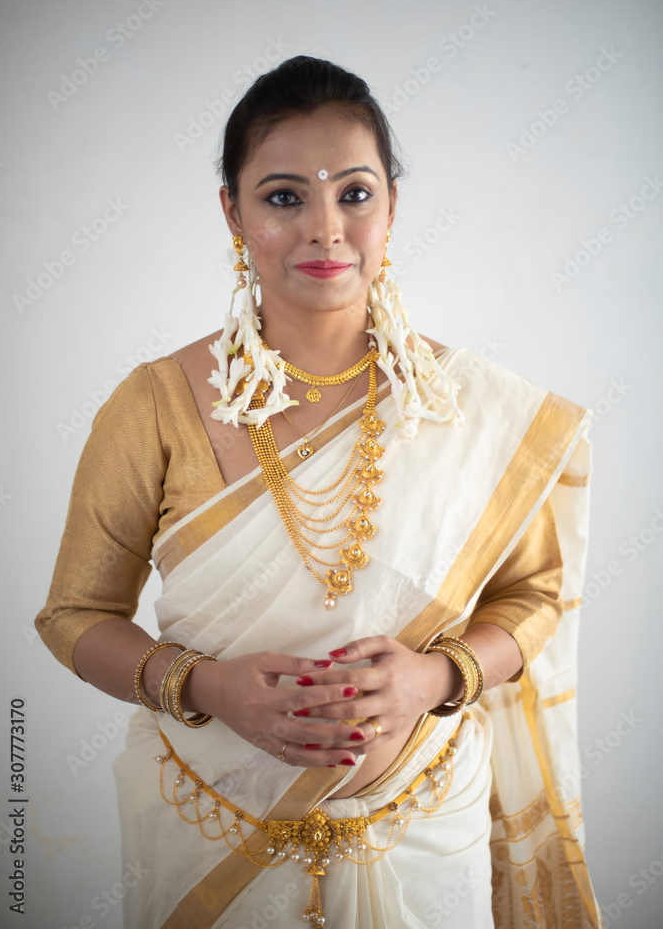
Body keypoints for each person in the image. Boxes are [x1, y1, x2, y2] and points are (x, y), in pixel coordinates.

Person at [36, 56, 602, 928]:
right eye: (285, 197)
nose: (328, 230)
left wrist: (435, 676)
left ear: (393, 206)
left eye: (356, 194)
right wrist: (208, 687)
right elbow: (73, 614)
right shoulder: (155, 403)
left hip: (425, 834)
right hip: (212, 826)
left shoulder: (471, 409)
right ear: (233, 211)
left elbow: (536, 596)